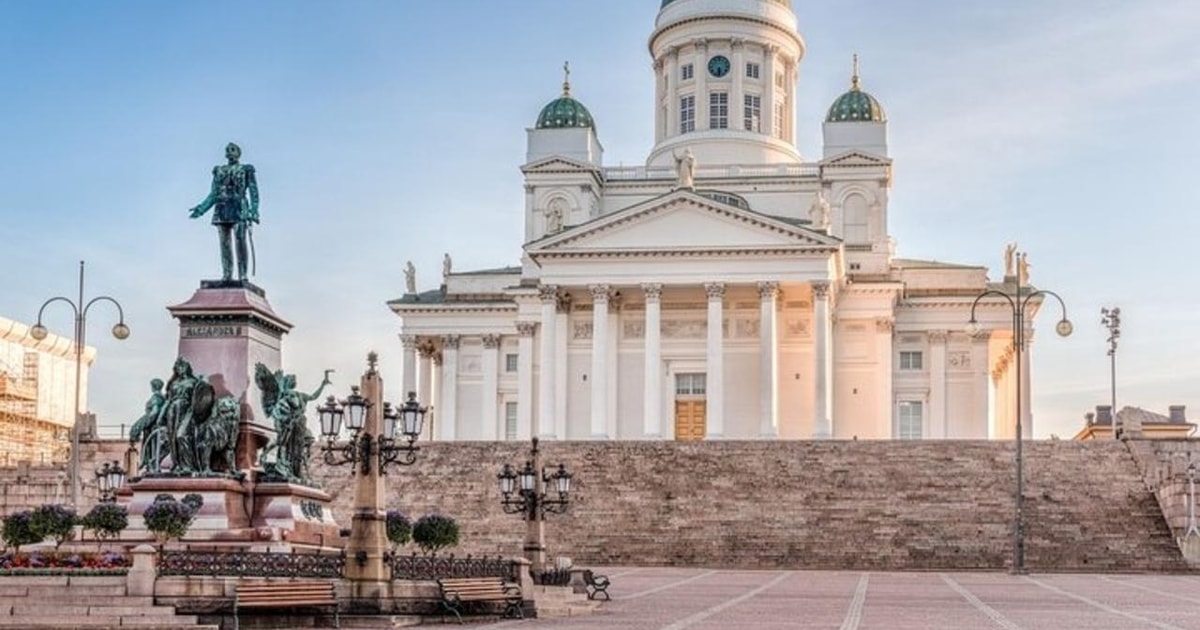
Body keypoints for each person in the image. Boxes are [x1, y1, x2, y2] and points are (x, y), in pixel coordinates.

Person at [188, 142, 260, 282]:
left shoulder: (246, 169)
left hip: (240, 208)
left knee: (240, 241)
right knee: (224, 243)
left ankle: (242, 274)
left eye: (233, 150)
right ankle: (227, 274)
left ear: (238, 153)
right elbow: (214, 194)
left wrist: (254, 211)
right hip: (222, 208)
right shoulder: (219, 171)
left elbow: (253, 192)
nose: (230, 152)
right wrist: (201, 208)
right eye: (228, 150)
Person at [128, 379, 166, 473]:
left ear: (153, 387)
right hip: (156, 427)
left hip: (152, 428)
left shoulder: (155, 397)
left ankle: (152, 468)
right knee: (154, 452)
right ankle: (152, 467)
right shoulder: (163, 397)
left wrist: (144, 423)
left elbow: (154, 412)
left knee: (152, 451)